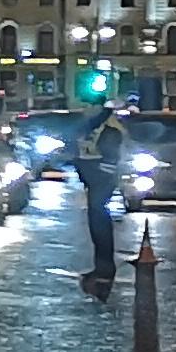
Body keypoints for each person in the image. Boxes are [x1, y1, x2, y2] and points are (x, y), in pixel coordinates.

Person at [71, 103, 132, 298]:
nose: (85, 111)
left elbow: (110, 162)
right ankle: (101, 266)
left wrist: (95, 176)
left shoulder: (110, 130)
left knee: (100, 224)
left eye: (89, 108)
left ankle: (105, 267)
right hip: (95, 180)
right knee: (96, 223)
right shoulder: (92, 127)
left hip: (102, 181)